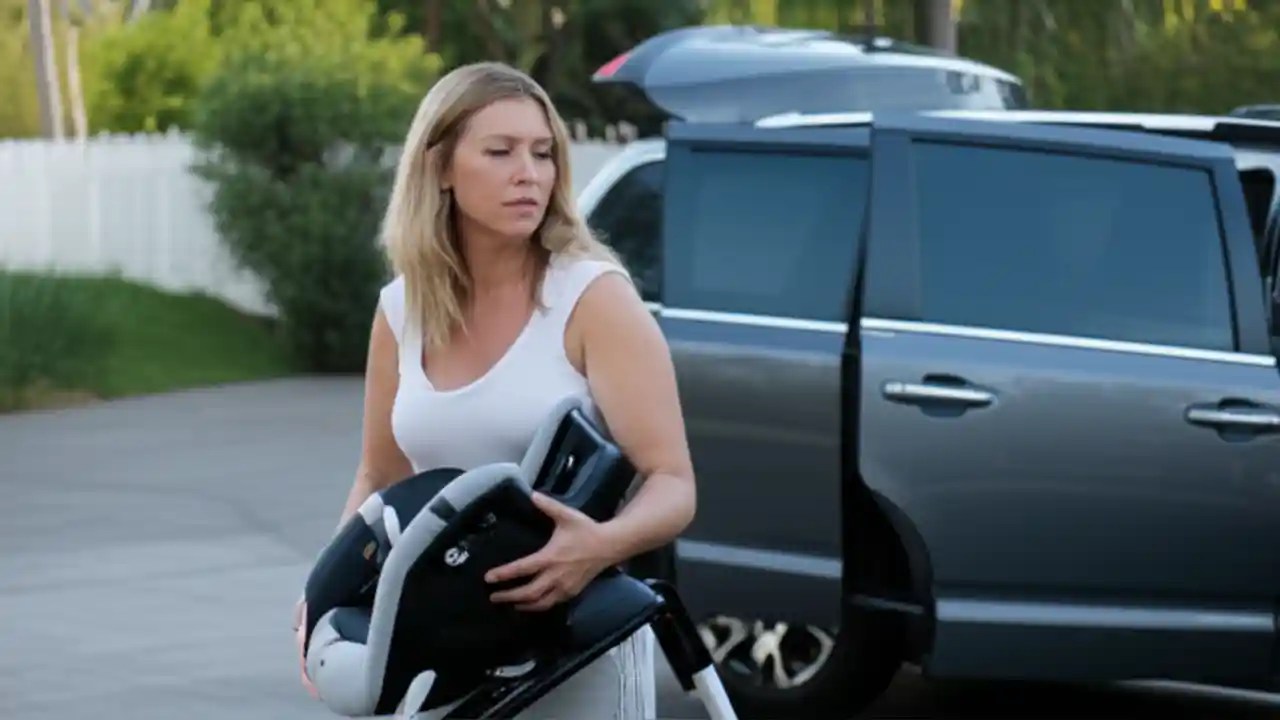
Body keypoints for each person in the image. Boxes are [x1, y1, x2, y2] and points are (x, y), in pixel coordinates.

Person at [291, 61, 697, 719]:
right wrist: (329, 593)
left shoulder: (592, 298)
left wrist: (599, 546)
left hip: (573, 651)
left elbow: (673, 482)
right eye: (501, 152)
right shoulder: (401, 311)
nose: (529, 174)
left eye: (543, 154)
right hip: (438, 651)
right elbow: (380, 478)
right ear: (441, 168)